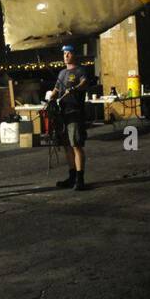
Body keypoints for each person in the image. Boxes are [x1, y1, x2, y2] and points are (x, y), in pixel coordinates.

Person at [45, 44, 93, 191]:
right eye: (64, 53)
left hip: (75, 113)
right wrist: (50, 97)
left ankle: (80, 179)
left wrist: (74, 88)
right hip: (63, 115)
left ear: (74, 55)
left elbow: (84, 82)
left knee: (76, 145)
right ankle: (72, 177)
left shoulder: (80, 70)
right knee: (67, 146)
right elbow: (56, 89)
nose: (66, 56)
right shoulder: (61, 73)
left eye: (69, 53)